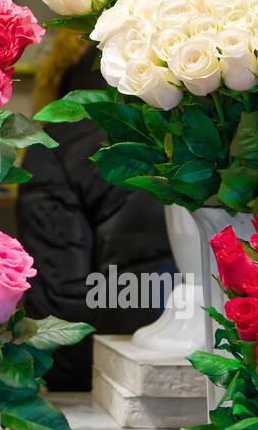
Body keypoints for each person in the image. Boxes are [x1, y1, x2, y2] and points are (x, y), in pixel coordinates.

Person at [17, 31, 173, 391]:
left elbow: (61, 303)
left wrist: (68, 387)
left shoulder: (56, 144)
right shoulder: (195, 123)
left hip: (112, 372)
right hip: (223, 361)